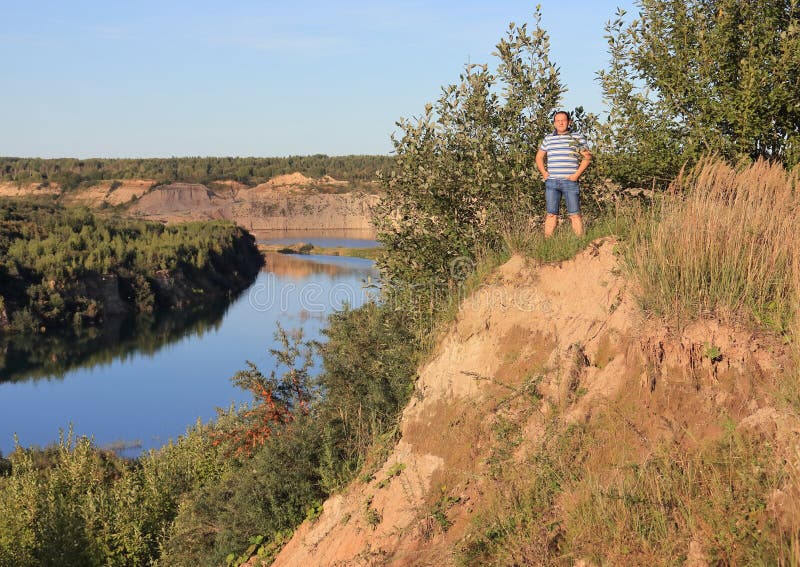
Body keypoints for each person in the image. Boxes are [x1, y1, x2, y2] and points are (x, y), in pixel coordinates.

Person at [535, 111, 592, 237]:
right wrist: (544, 173)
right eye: (558, 121)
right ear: (554, 123)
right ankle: (547, 243)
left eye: (563, 120)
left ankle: (580, 242)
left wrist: (576, 175)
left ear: (569, 122)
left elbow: (587, 157)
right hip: (552, 182)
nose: (561, 123)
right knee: (551, 214)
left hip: (570, 181)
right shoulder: (548, 138)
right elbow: (539, 157)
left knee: (575, 214)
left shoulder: (576, 137)